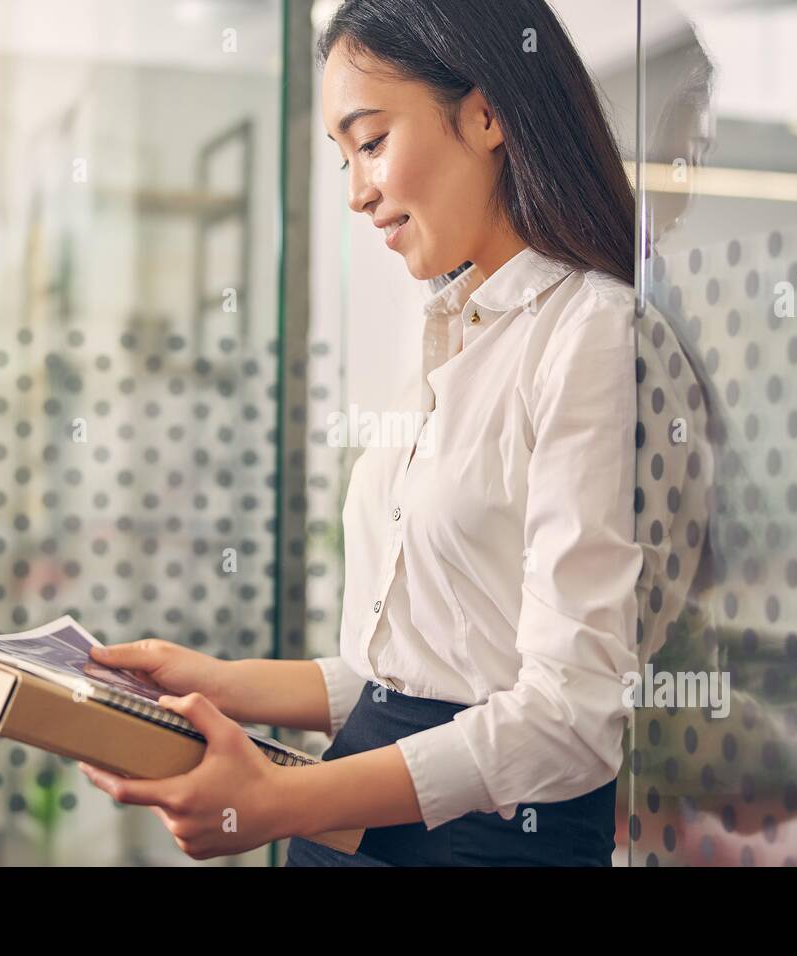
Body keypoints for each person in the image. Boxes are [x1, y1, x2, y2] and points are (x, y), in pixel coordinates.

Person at [79, 0, 643, 866]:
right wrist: (219, 684)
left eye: (372, 142)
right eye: (344, 158)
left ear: (486, 115)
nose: (356, 192)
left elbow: (570, 719)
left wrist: (281, 798)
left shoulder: (591, 332)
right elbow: (418, 678)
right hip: (355, 827)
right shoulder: (452, 331)